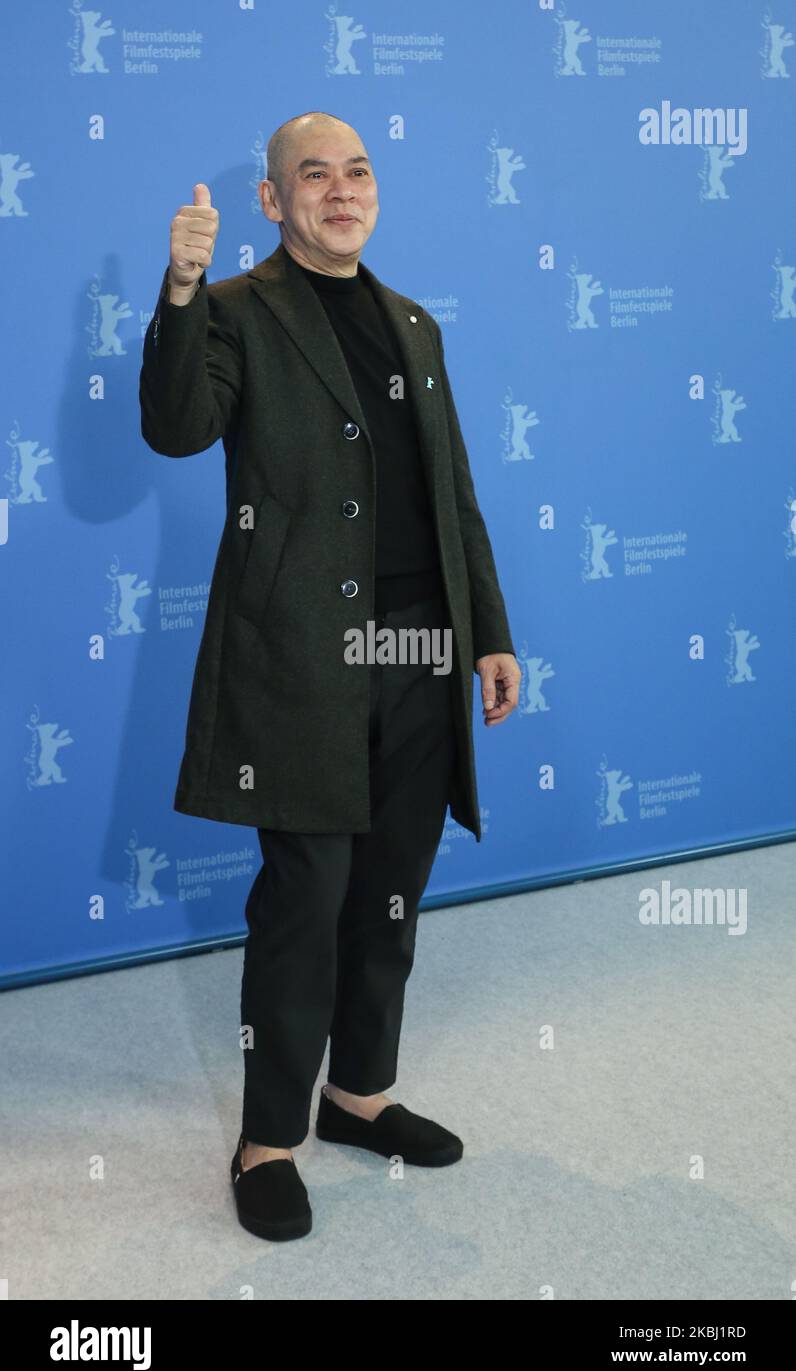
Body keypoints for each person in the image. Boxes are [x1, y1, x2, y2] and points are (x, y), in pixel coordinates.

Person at [139, 110, 520, 1241]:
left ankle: (359, 1096)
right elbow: (174, 429)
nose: (341, 191)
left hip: (415, 648)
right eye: (314, 175)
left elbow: (453, 496)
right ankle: (268, 1138)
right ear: (272, 200)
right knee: (303, 900)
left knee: (392, 887)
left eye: (357, 173)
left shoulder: (414, 322)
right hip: (301, 657)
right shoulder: (236, 314)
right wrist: (177, 291)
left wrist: (487, 631)